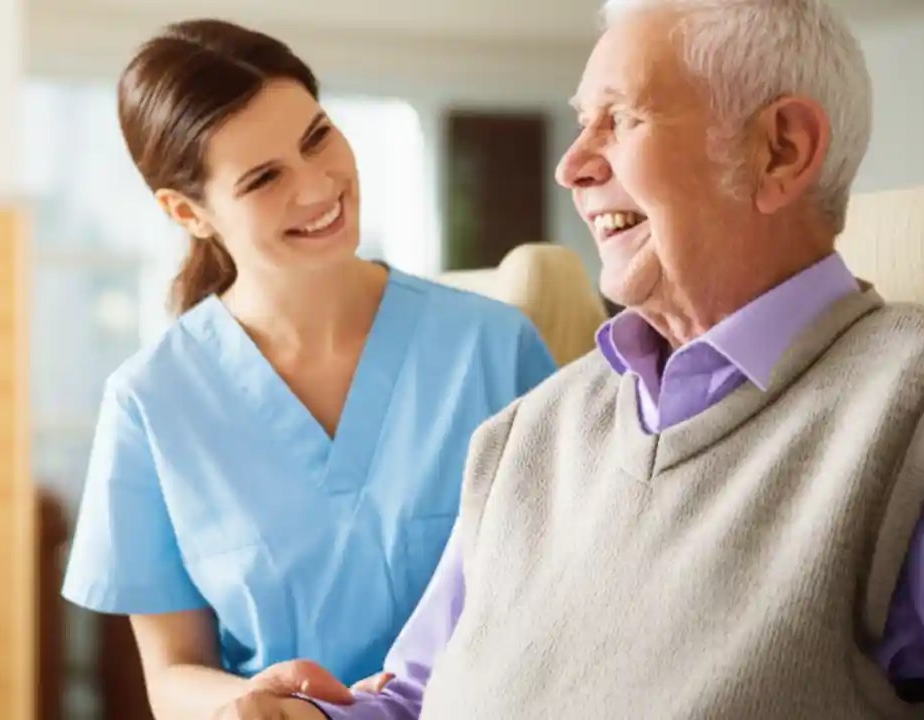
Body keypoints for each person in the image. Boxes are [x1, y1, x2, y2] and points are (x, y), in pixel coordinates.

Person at [217, 0, 924, 718]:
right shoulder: (525, 433)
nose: (571, 166)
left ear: (780, 148)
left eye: (621, 119)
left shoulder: (914, 414)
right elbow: (415, 698)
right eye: (580, 122)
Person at [59, 18, 557, 720]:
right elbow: (172, 674)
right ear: (187, 212)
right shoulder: (152, 403)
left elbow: (581, 589)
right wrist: (257, 703)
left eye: (317, 136)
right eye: (265, 177)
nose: (318, 186)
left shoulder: (495, 349)